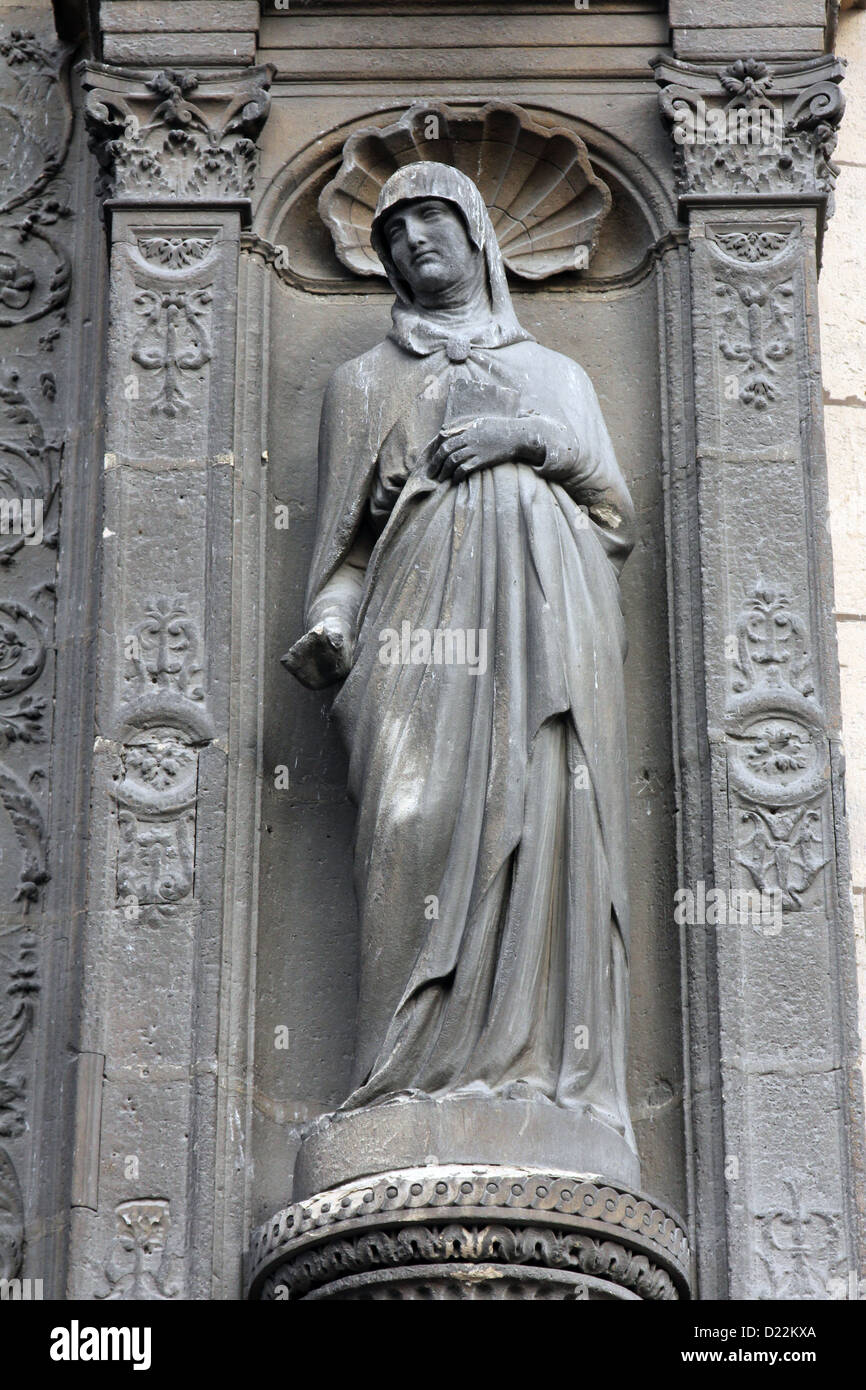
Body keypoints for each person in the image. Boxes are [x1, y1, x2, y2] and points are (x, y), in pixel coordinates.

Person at [284, 162, 637, 1159]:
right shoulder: (362, 386)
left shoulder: (555, 376)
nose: (410, 242)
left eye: (430, 219)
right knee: (419, 826)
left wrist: (523, 440)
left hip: (549, 629)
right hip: (414, 643)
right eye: (391, 233)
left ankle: (543, 1082)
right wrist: (333, 627)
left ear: (477, 232)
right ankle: (403, 1073)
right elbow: (340, 551)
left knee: (545, 822)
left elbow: (613, 510)